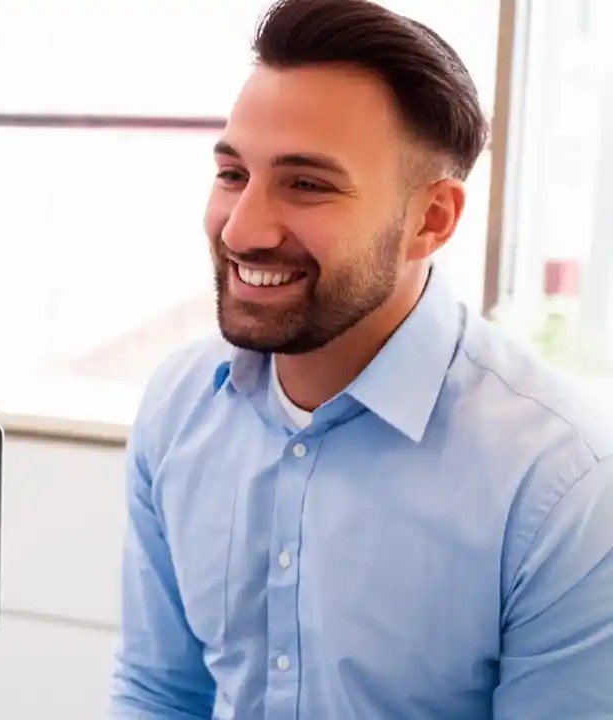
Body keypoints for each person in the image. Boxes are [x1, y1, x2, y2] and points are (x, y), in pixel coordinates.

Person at [110, 0, 613, 718]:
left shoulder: (565, 482)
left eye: (307, 184)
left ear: (431, 220)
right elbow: (159, 692)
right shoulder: (180, 403)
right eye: (232, 174)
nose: (244, 230)